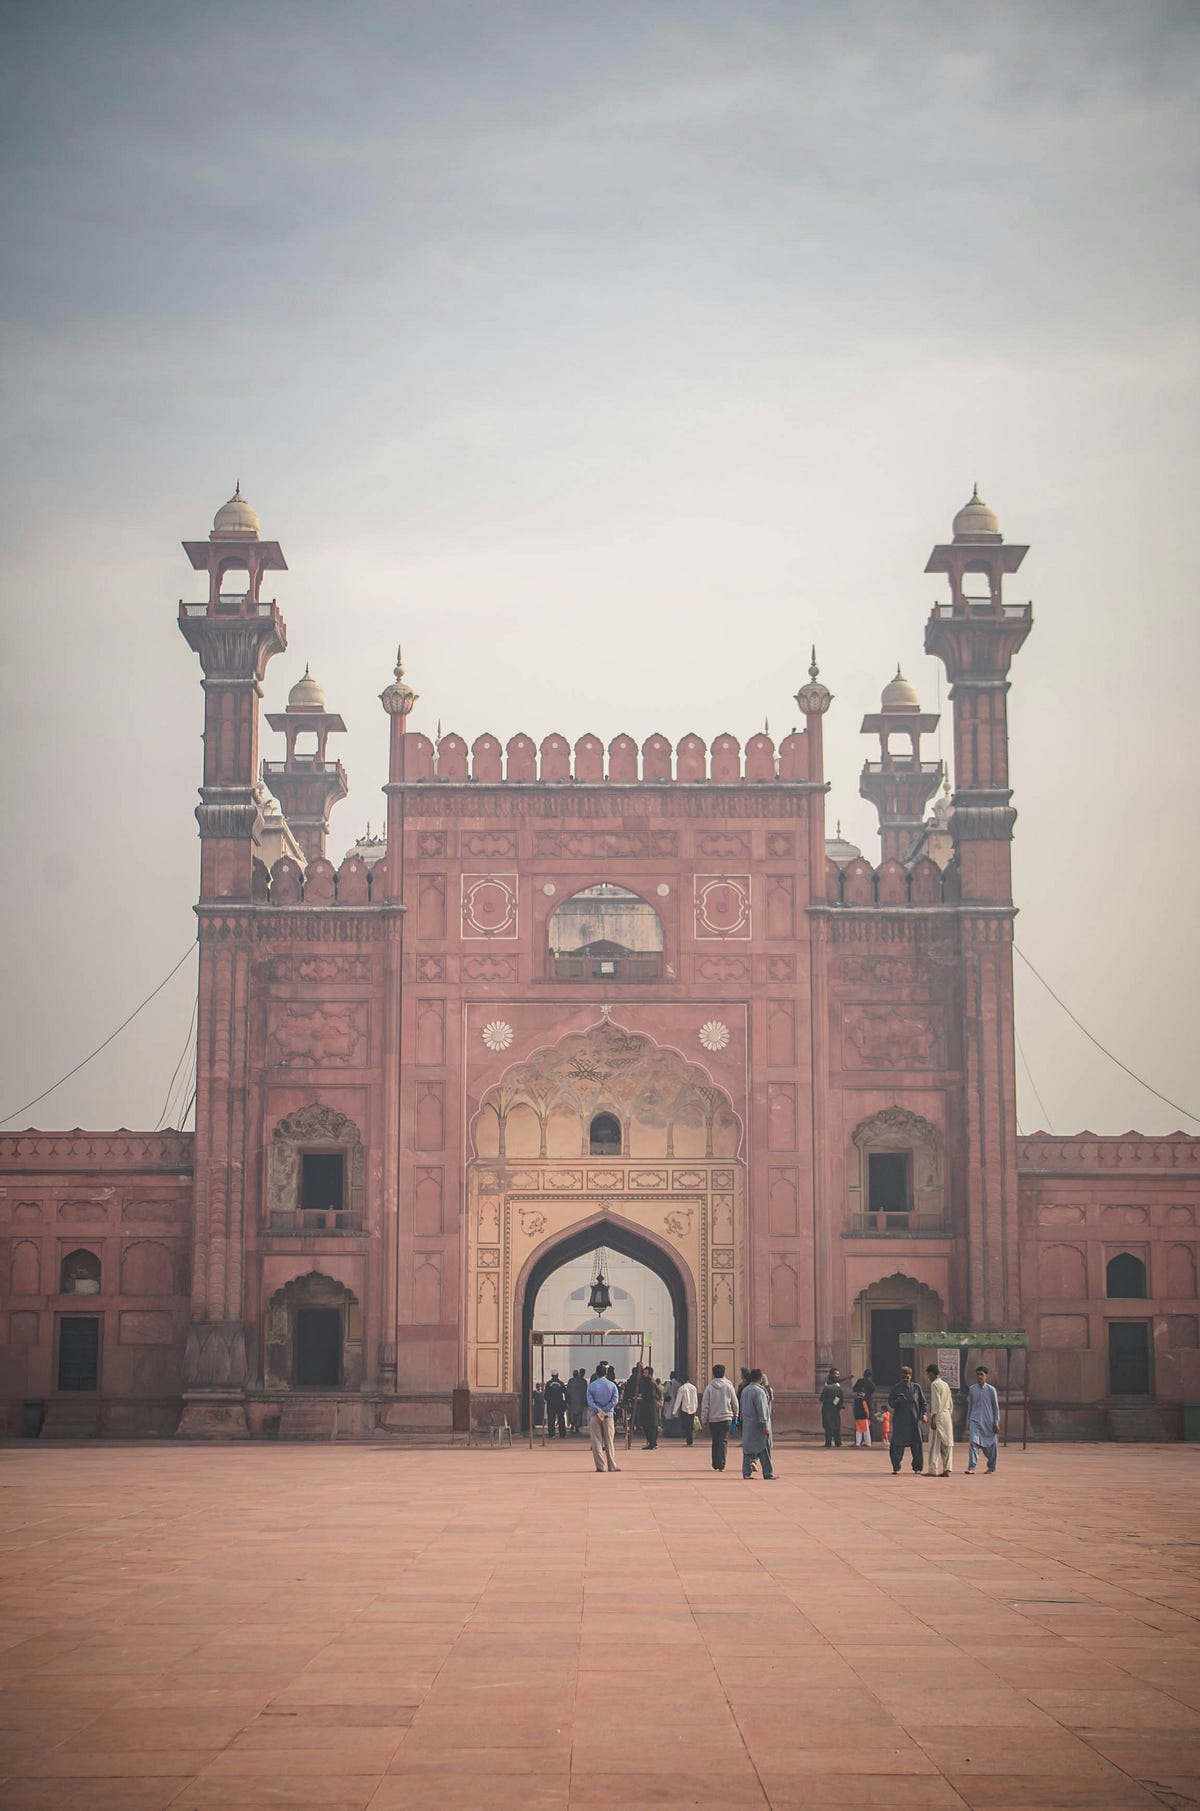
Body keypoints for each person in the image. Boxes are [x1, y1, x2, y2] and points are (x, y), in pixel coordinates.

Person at [887, 1365, 927, 1474]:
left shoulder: (916, 1388)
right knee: (897, 1445)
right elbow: (891, 1403)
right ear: (900, 1377)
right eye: (903, 1377)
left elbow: (923, 1403)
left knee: (917, 1445)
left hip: (914, 1421)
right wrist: (898, 1401)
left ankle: (917, 1467)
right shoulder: (896, 1388)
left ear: (911, 1376)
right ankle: (896, 1467)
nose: (905, 1379)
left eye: (907, 1377)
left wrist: (924, 1414)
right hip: (900, 1422)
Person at [700, 1363, 738, 1472]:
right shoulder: (728, 1386)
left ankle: (715, 1463)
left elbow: (705, 1405)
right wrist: (736, 1414)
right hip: (726, 1418)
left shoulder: (709, 1388)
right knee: (723, 1441)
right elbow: (735, 1403)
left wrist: (704, 1418)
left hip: (714, 1418)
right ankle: (721, 1463)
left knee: (715, 1441)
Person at [740, 1367, 776, 1480]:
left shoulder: (745, 1390)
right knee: (764, 1448)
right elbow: (762, 1409)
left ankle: (746, 1472)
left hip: (747, 1423)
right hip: (758, 1424)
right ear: (760, 1379)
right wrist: (765, 1424)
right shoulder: (759, 1391)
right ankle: (768, 1473)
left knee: (748, 1449)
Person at [966, 1364, 1001, 1475]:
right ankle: (972, 1467)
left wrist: (996, 1422)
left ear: (986, 1376)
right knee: (973, 1442)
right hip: (974, 1420)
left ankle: (991, 1466)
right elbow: (970, 1405)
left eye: (982, 1375)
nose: (979, 1377)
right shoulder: (972, 1389)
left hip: (988, 1421)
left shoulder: (991, 1390)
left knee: (991, 1446)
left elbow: (995, 1407)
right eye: (978, 1375)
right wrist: (968, 1420)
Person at [587, 1364, 621, 1473]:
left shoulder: (592, 1386)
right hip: (608, 1415)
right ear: (606, 1373)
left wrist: (598, 1410)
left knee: (596, 1441)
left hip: (595, 1415)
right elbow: (615, 1400)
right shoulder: (612, 1385)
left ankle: (600, 1466)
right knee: (609, 1441)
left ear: (596, 1373)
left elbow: (590, 1401)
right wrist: (605, 1410)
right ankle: (612, 1465)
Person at [925, 1364, 954, 1476]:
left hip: (938, 1416)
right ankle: (947, 1468)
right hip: (946, 1415)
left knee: (934, 1444)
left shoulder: (935, 1384)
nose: (928, 1377)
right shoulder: (945, 1384)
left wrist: (933, 1418)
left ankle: (933, 1470)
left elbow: (936, 1403)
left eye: (928, 1374)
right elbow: (950, 1403)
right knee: (947, 1444)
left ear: (932, 1373)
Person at [638, 1365, 663, 1449]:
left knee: (651, 1425)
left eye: (645, 1373)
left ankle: (652, 1443)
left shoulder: (651, 1383)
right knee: (647, 1425)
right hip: (647, 1405)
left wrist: (644, 1395)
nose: (644, 1374)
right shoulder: (647, 1381)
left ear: (649, 1374)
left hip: (651, 1405)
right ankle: (652, 1442)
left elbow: (655, 1394)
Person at [819, 1368, 844, 1449]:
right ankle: (838, 1442)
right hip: (836, 1409)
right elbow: (840, 1399)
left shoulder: (827, 1388)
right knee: (836, 1426)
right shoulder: (838, 1388)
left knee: (828, 1427)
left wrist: (830, 1403)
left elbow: (822, 1398)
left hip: (827, 1409)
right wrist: (834, 1403)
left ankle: (828, 1443)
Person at [672, 1373, 698, 1446]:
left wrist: (674, 1411)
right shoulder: (693, 1388)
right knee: (690, 1425)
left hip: (685, 1409)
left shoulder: (682, 1388)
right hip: (692, 1409)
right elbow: (696, 1399)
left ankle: (689, 1441)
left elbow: (678, 1400)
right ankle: (690, 1440)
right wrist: (696, 1407)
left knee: (686, 1426)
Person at [544, 1372, 568, 1439]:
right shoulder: (561, 1383)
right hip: (559, 1403)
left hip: (551, 1404)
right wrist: (565, 1402)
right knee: (561, 1419)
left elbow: (545, 1395)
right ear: (557, 1375)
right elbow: (566, 1393)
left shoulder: (548, 1384)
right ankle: (562, 1434)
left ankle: (552, 1434)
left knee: (551, 1419)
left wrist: (548, 1400)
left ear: (552, 1375)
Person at [565, 1368, 588, 1436]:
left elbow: (567, 1391)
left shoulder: (571, 1381)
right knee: (578, 1414)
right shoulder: (583, 1381)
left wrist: (567, 1399)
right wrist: (585, 1400)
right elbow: (585, 1392)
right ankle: (577, 1426)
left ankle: (573, 1425)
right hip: (580, 1400)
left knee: (572, 1413)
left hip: (572, 1400)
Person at [852, 1378, 872, 1448]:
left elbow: (854, 1409)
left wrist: (855, 1416)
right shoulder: (863, 1401)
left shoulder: (855, 1400)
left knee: (858, 1431)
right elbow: (866, 1410)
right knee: (866, 1431)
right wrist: (868, 1417)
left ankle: (858, 1443)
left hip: (857, 1417)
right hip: (864, 1417)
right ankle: (868, 1442)